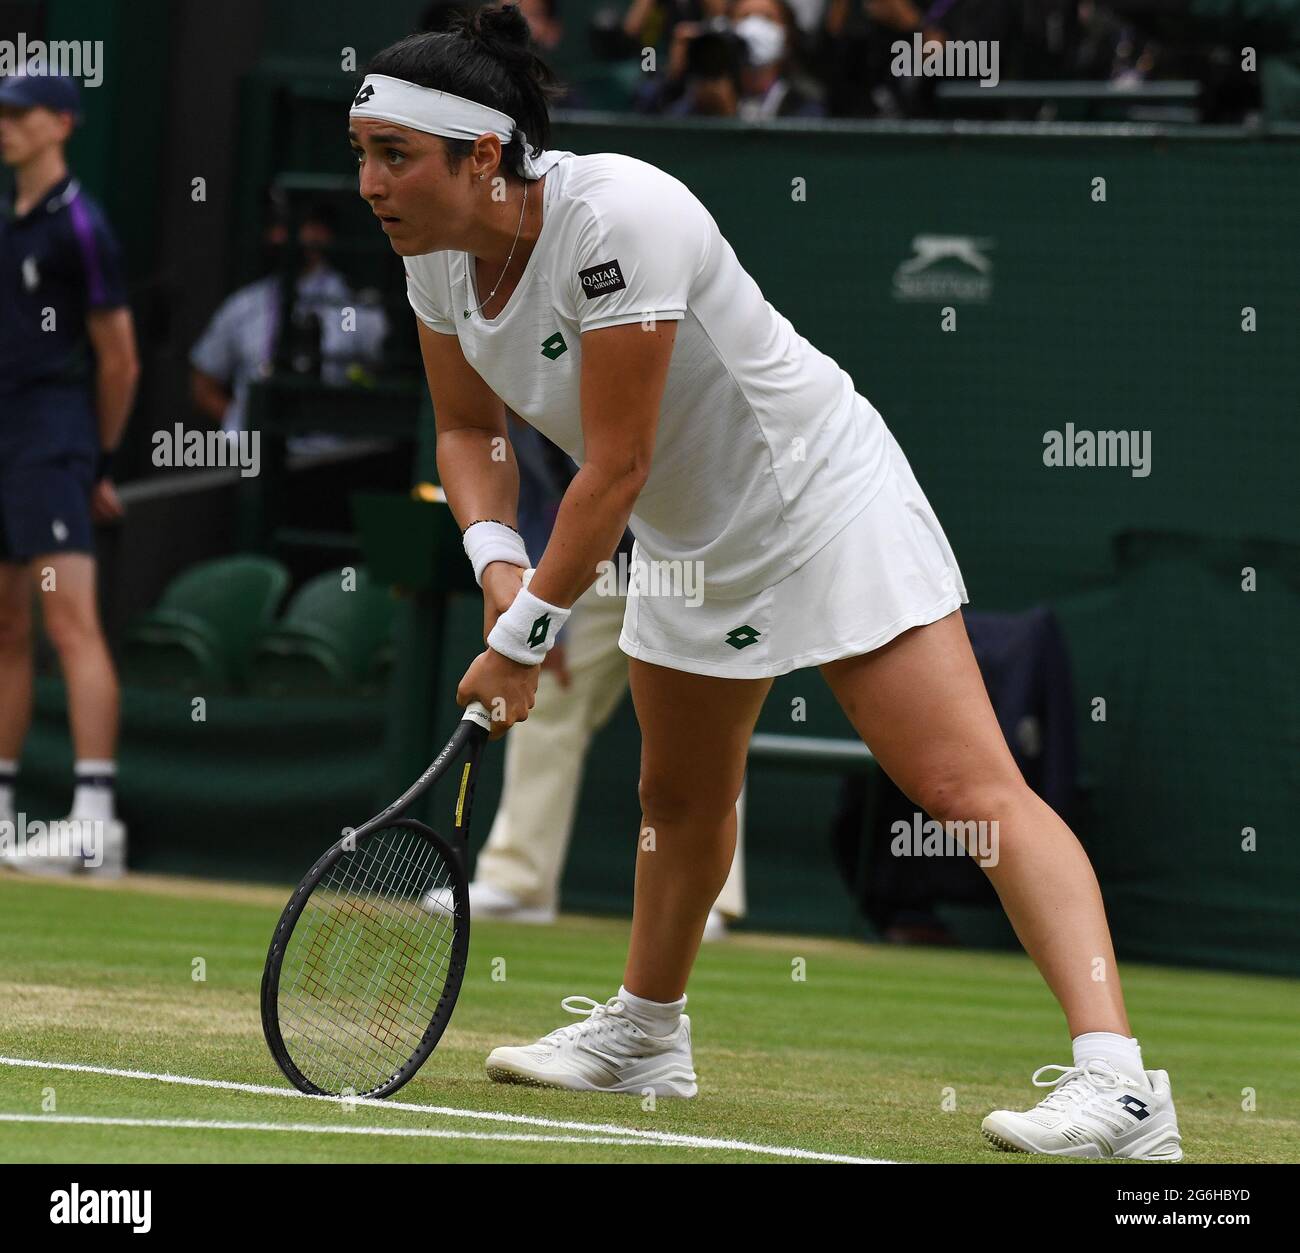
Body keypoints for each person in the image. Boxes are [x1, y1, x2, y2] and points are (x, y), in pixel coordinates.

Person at [348, 4, 1183, 1160]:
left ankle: (1123, 1088)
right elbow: (467, 430)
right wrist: (498, 566)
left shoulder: (620, 217)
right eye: (362, 157)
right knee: (677, 800)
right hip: (685, 533)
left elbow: (617, 459)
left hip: (816, 494)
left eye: (395, 157)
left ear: (482, 156)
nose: (370, 185)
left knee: (963, 786)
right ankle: (646, 1033)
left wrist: (527, 631)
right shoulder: (434, 260)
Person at [454, 415, 743, 938]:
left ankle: (705, 900)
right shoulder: (505, 405)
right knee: (548, 703)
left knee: (707, 724)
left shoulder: (609, 356)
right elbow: (537, 505)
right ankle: (519, 884)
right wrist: (542, 625)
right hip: (597, 567)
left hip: (692, 558)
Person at [0, 68, 137, 876]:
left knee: (67, 622)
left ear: (61, 123)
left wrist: (96, 457)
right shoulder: (7, 222)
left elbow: (117, 358)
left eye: (19, 115)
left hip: (55, 439)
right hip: (9, 438)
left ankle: (94, 820)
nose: (5, 127)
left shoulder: (79, 225)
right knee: (6, 626)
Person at [189, 202, 388, 454]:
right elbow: (203, 383)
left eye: (293, 226)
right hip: (250, 460)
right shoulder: (242, 306)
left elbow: (378, 375)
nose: (280, 236)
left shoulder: (356, 307)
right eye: (276, 227)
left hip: (328, 460)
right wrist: (242, 422)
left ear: (323, 233)